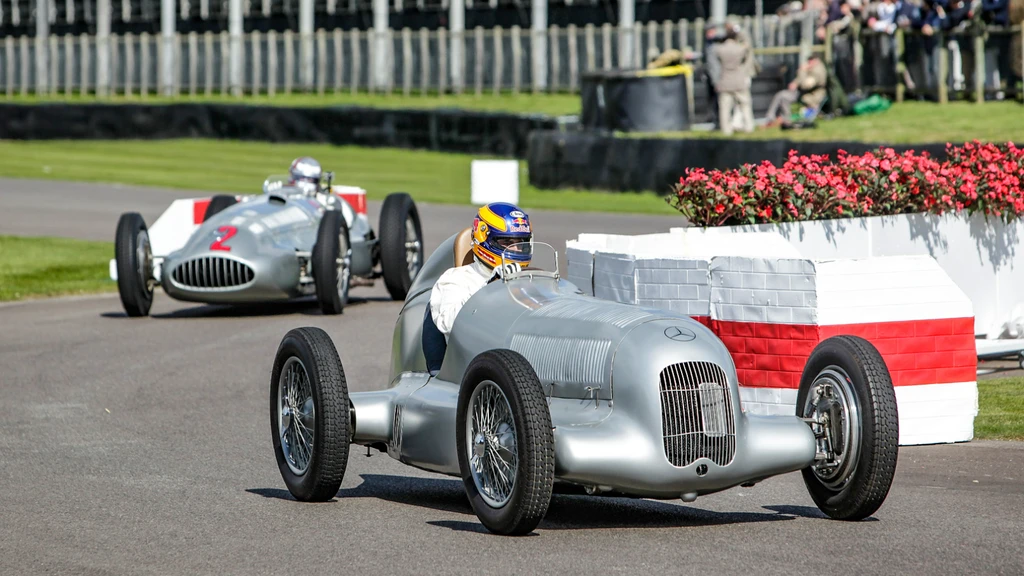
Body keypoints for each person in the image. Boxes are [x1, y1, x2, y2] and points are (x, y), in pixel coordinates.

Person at [429, 203, 533, 340]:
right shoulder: (456, 278)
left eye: (521, 243)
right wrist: (489, 289)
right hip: (475, 349)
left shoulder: (529, 280)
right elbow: (447, 324)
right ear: (484, 238)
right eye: (507, 242)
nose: (516, 249)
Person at [711, 25, 755, 136]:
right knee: (745, 105)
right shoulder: (740, 48)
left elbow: (715, 65)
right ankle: (749, 127)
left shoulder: (719, 49)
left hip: (725, 80)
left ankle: (726, 130)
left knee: (725, 108)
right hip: (739, 80)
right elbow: (749, 53)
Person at [765, 56, 829, 124]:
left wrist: (802, 70)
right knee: (781, 95)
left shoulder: (818, 71)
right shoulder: (812, 69)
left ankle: (781, 119)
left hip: (811, 96)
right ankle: (780, 119)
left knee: (782, 95)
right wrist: (795, 83)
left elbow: (805, 85)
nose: (808, 63)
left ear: (816, 61)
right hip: (803, 94)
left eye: (810, 61)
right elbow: (801, 81)